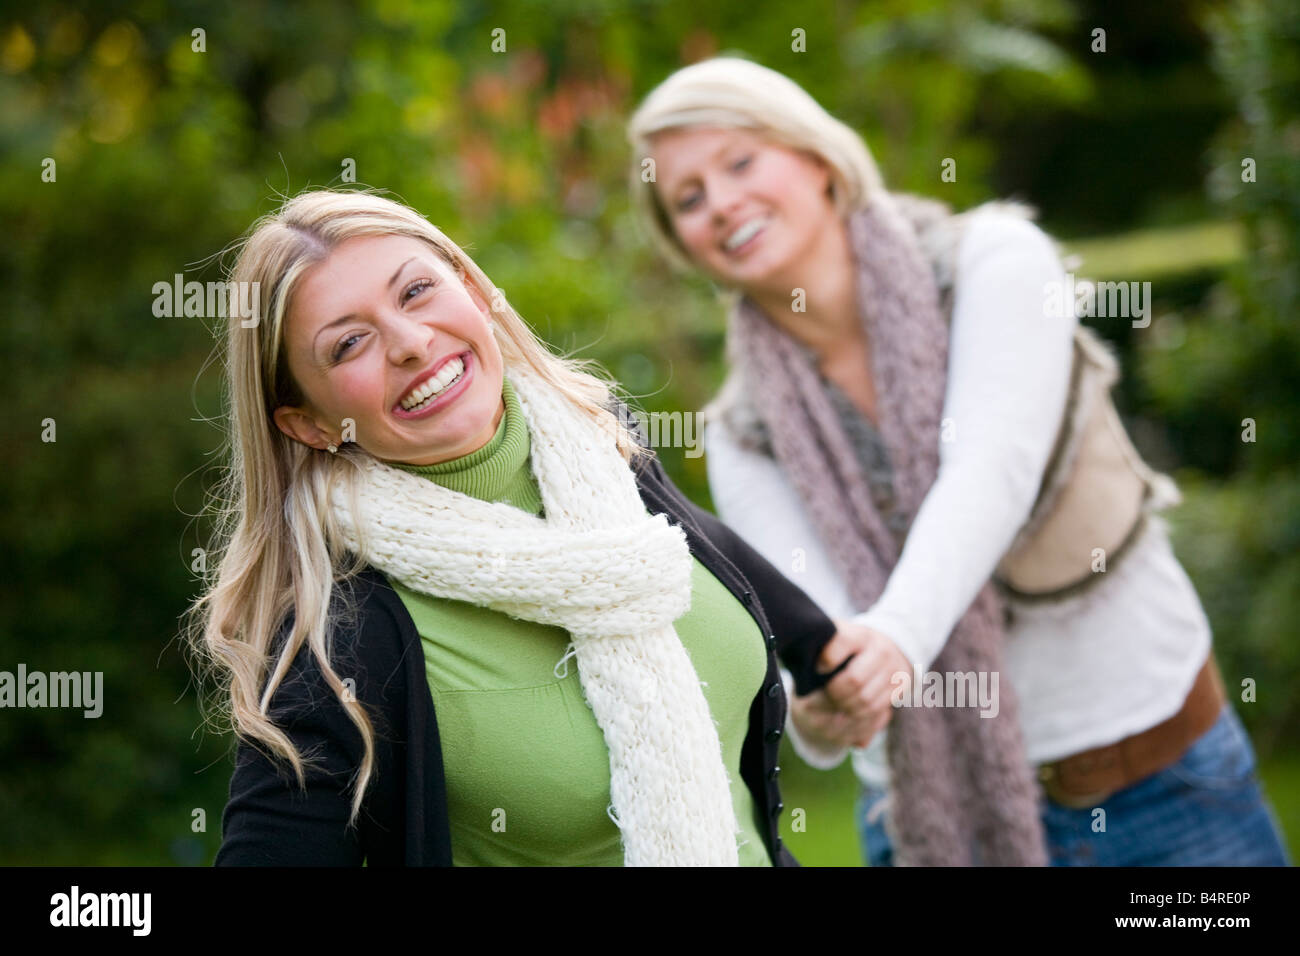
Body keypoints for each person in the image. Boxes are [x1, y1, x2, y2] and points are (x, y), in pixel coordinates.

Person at [626, 56, 1291, 866]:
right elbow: (819, 632)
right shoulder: (741, 432)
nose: (723, 204)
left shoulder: (997, 260)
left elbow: (990, 470)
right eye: (688, 199)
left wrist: (895, 641)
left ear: (815, 155)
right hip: (925, 822)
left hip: (1158, 785)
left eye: (740, 161)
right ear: (682, 244)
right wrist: (827, 703)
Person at [190, 187, 877, 867]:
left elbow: (698, 542)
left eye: (416, 291)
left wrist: (819, 645)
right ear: (308, 423)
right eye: (348, 344)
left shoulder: (599, 448)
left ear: (471, 289)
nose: (410, 342)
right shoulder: (338, 636)